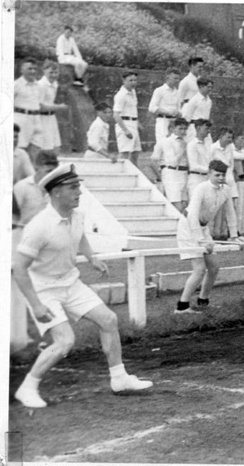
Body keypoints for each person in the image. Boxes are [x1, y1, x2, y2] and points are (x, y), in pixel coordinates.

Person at [12, 164, 154, 408]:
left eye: (79, 186)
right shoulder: (39, 226)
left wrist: (91, 257)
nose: (79, 192)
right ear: (56, 192)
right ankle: (27, 388)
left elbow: (80, 236)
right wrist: (35, 305)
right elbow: (19, 268)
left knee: (108, 320)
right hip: (44, 290)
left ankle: (119, 379)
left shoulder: (77, 215)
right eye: (73, 187)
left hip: (70, 282)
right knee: (65, 341)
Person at [175, 160, 244, 315]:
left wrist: (234, 236)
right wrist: (201, 240)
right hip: (188, 226)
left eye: (223, 174)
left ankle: (203, 302)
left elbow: (230, 212)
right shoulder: (201, 188)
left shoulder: (226, 190)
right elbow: (193, 215)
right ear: (209, 173)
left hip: (203, 228)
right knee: (199, 269)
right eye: (217, 174)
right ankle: (182, 307)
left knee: (214, 267)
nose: (221, 178)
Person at [11, 150, 59, 353]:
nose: (51, 172)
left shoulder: (54, 188)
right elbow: (11, 218)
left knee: (47, 290)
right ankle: (22, 340)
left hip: (45, 244)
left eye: (53, 169)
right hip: (21, 240)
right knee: (23, 290)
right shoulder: (22, 187)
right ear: (37, 167)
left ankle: (48, 338)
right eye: (47, 169)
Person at [33, 61, 68, 154]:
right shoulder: (40, 85)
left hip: (51, 118)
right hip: (41, 119)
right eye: (50, 73)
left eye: (56, 72)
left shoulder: (55, 84)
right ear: (44, 71)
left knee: (56, 147)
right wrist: (59, 107)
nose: (53, 75)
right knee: (45, 148)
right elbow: (39, 106)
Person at [14, 58, 46, 160]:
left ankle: (31, 174)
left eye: (35, 69)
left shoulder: (39, 86)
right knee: (20, 149)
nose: (33, 71)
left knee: (36, 148)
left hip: (36, 119)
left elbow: (39, 103)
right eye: (29, 68)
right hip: (21, 118)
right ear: (22, 70)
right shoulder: (16, 85)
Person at [159, 118, 190, 213]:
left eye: (185, 129)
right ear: (174, 129)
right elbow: (172, 162)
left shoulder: (187, 141)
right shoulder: (167, 141)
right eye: (180, 128)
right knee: (177, 206)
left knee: (185, 205)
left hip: (184, 174)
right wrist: (182, 149)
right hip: (172, 173)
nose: (183, 131)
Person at [112, 71, 142, 167]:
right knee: (124, 153)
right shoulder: (121, 95)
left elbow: (132, 110)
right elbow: (116, 115)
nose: (133, 82)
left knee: (136, 152)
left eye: (135, 80)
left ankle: (135, 174)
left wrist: (137, 123)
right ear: (124, 81)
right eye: (130, 80)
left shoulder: (133, 92)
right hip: (125, 124)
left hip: (133, 124)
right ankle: (119, 174)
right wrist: (125, 130)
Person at [148, 68, 182, 145]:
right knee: (163, 144)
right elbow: (152, 107)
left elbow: (179, 108)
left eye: (178, 79)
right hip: (162, 121)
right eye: (175, 78)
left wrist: (179, 113)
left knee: (174, 144)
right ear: (167, 78)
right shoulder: (159, 90)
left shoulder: (177, 92)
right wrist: (168, 112)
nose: (177, 80)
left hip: (174, 122)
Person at [210, 127, 242, 208]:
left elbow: (231, 164)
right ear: (221, 136)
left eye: (231, 137)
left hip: (229, 177)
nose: (230, 139)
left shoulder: (230, 147)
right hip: (218, 179)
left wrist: (229, 176)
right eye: (228, 137)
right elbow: (210, 165)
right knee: (219, 205)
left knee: (233, 203)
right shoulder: (213, 148)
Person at [181, 77, 214, 143]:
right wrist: (185, 131)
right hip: (194, 128)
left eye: (211, 87)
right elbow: (187, 117)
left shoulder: (209, 101)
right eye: (208, 87)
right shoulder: (194, 100)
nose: (210, 89)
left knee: (208, 146)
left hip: (205, 128)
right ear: (201, 86)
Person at [187, 119, 213, 197]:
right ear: (198, 128)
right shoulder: (192, 145)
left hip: (208, 179)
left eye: (209, 129)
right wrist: (211, 171)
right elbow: (194, 166)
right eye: (206, 128)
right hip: (196, 179)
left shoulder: (208, 145)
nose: (209, 131)